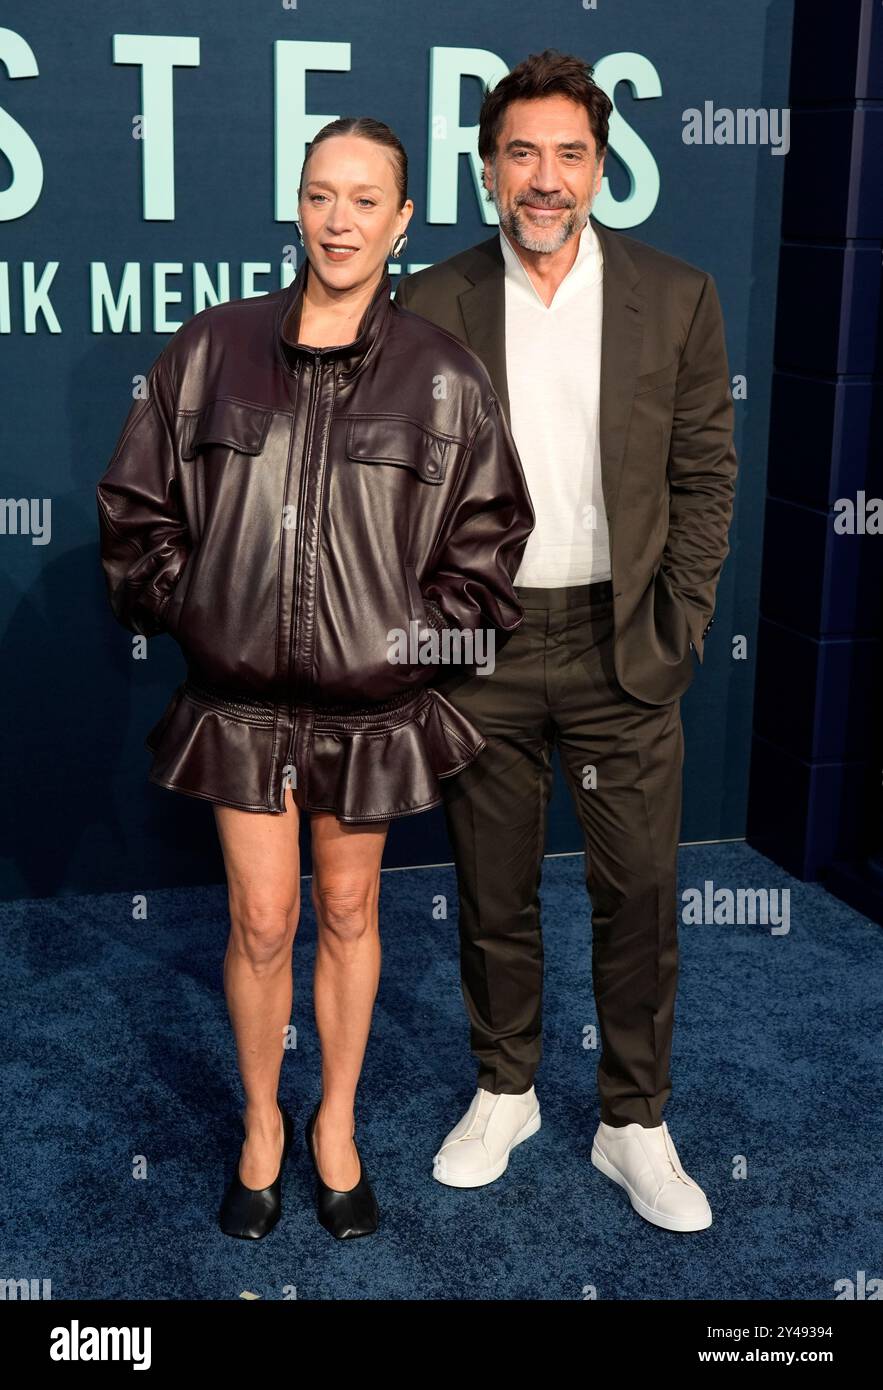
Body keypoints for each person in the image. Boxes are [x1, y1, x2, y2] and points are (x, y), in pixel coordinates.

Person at [96, 116, 535, 1241]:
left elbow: (488, 546)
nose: (339, 221)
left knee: (346, 908)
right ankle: (259, 1124)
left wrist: (400, 644)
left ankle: (334, 1122)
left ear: (402, 221)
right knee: (259, 918)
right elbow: (136, 510)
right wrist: (198, 608)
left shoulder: (444, 373)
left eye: (363, 200)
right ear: (299, 208)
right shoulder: (210, 349)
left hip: (371, 709)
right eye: (319, 195)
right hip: (238, 703)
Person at [394, 50, 738, 1232]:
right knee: (492, 885)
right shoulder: (430, 302)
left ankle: (632, 1119)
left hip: (621, 638)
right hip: (483, 643)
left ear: (601, 166)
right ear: (489, 168)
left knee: (637, 887)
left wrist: (679, 615)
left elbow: (704, 474)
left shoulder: (676, 294)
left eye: (569, 155)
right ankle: (506, 1088)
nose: (545, 179)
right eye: (522, 154)